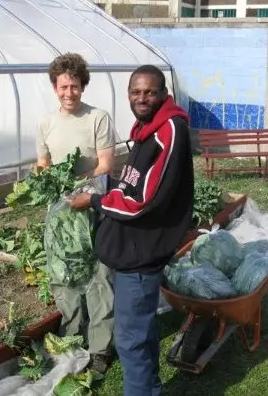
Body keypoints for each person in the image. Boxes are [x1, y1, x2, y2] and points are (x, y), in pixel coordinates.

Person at [67, 64, 194, 395]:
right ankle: (150, 388)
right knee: (141, 331)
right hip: (134, 248)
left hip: (142, 252)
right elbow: (135, 183)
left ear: (163, 94)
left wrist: (95, 200)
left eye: (150, 92)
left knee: (130, 339)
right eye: (136, 92)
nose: (142, 98)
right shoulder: (147, 128)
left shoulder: (169, 131)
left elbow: (143, 202)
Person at [36, 52, 117, 372]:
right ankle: (71, 335)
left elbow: (106, 164)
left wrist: (82, 190)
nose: (69, 92)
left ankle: (100, 347)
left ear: (83, 86)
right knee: (62, 274)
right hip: (59, 210)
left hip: (92, 203)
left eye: (75, 86)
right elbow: (43, 163)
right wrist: (42, 177)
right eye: (63, 86)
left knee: (99, 276)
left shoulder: (98, 117)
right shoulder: (45, 122)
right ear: (54, 88)